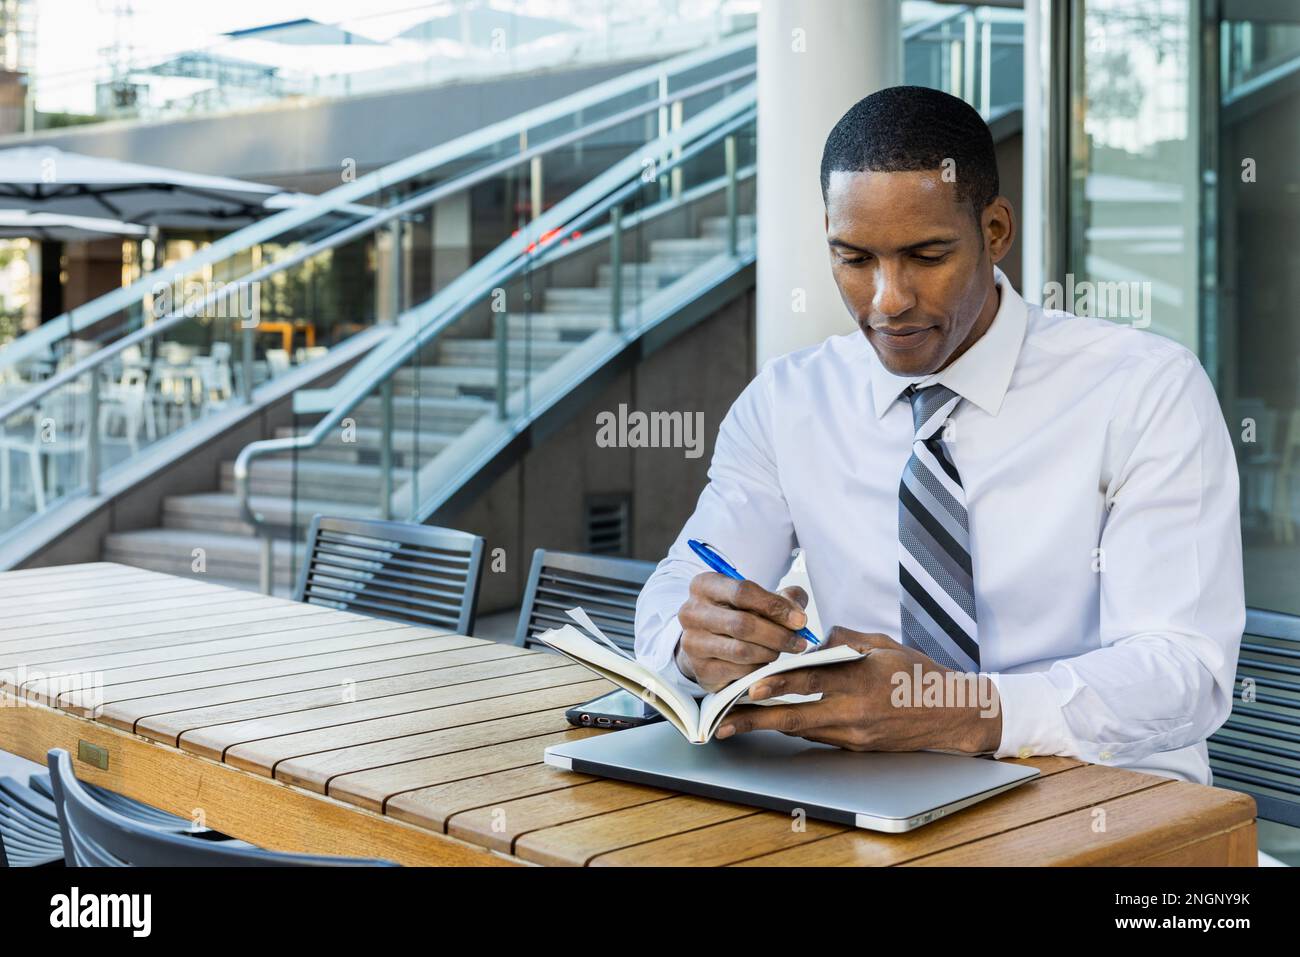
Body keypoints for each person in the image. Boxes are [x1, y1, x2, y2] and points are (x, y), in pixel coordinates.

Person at [633, 85, 1244, 784]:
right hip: (869, 799)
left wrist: (961, 712)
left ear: (995, 231)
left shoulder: (1144, 390)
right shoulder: (787, 401)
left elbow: (1184, 668)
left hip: (1105, 802)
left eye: (926, 255)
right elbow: (680, 588)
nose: (887, 300)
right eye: (854, 259)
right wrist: (695, 643)